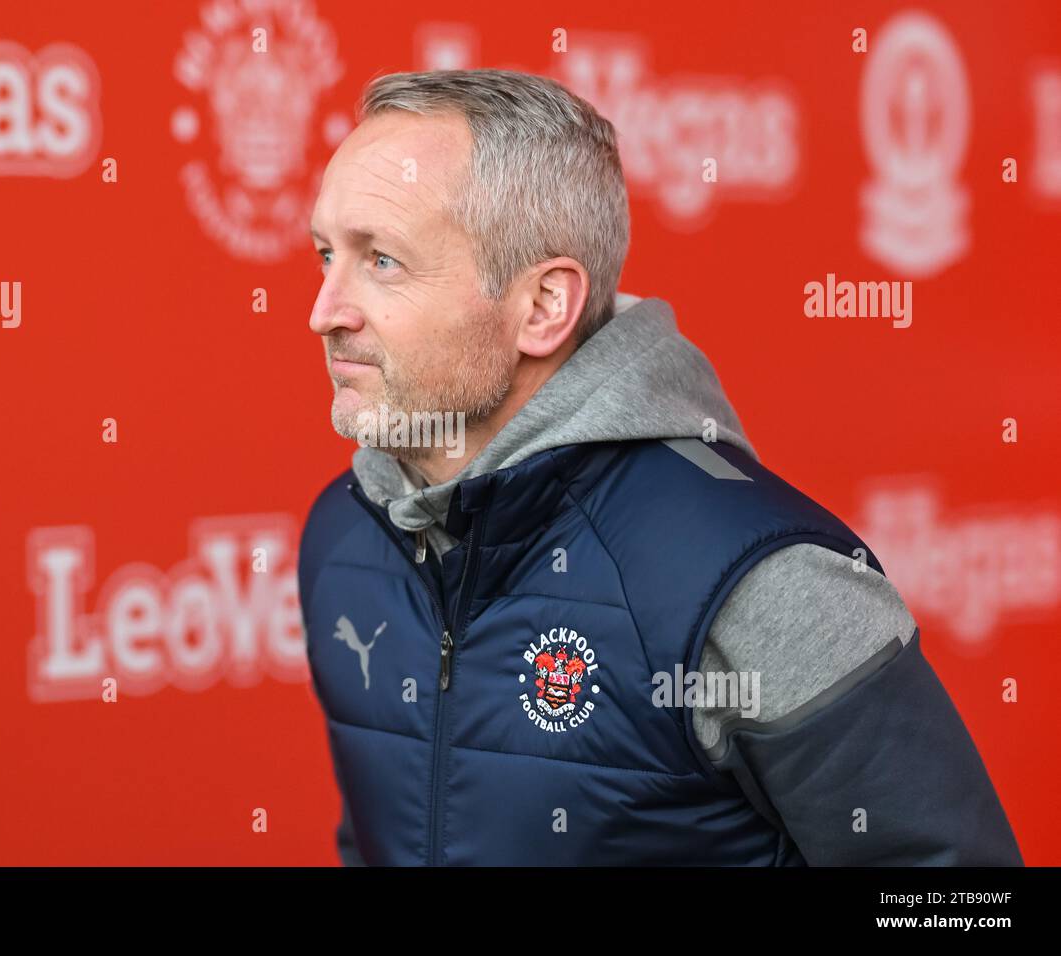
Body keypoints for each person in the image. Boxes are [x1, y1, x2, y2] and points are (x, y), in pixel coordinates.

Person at [298, 68, 1022, 866]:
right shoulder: (349, 533)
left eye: (383, 262)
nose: (324, 310)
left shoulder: (754, 580)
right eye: (327, 253)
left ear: (543, 307)